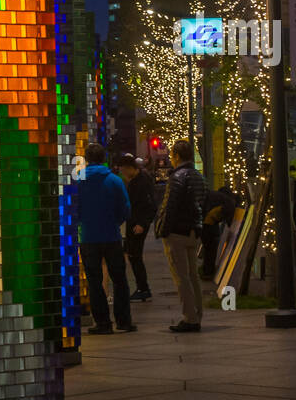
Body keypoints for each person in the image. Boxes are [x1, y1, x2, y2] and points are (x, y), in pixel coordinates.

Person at [77, 143, 135, 334]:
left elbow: (72, 210)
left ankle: (102, 322)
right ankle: (123, 321)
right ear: (104, 159)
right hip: (111, 236)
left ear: (86, 159)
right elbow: (125, 209)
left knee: (94, 281)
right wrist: (115, 222)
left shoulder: (78, 181)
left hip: (88, 236)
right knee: (119, 279)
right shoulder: (115, 181)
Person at [155, 139, 207, 333]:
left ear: (176, 156)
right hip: (194, 232)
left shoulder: (177, 178)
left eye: (172, 155)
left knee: (181, 277)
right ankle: (197, 314)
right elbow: (203, 203)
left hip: (177, 233)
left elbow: (170, 207)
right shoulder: (198, 177)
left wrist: (162, 229)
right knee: (193, 276)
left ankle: (190, 318)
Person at [118, 154, 156, 302]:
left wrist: (142, 223)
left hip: (137, 225)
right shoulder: (137, 180)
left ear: (128, 168)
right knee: (133, 254)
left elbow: (150, 205)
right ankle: (142, 287)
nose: (123, 174)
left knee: (135, 255)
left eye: (123, 170)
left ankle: (143, 288)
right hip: (134, 223)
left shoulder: (141, 182)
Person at [201, 184, 239, 278]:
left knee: (207, 248)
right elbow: (230, 219)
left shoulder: (214, 196)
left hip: (202, 223)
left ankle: (206, 270)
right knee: (211, 248)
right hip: (209, 225)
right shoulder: (229, 201)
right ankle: (209, 272)